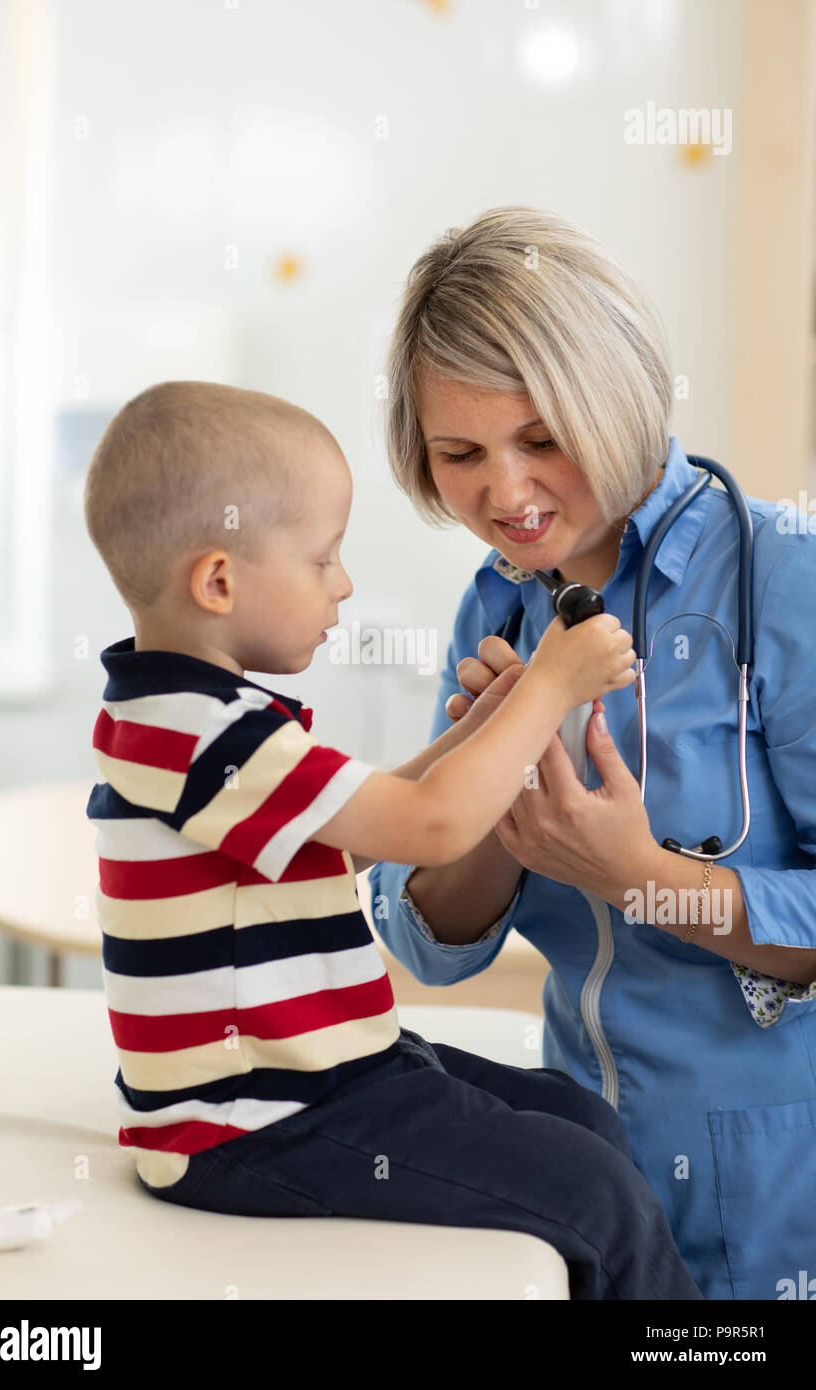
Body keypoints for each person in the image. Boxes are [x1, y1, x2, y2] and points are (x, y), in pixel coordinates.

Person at [82, 377, 703, 1301]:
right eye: (323, 559)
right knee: (602, 1197)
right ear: (218, 580)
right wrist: (549, 693)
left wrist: (494, 718)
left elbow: (362, 823)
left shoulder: (190, 716)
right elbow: (433, 828)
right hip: (257, 1124)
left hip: (323, 1076)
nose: (345, 584)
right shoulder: (208, 734)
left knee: (579, 1120)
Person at [369, 204, 816, 1301]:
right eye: (459, 455)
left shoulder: (784, 583)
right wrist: (502, 782)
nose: (505, 496)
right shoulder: (499, 601)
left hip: (776, 1192)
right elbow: (428, 941)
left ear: (613, 404)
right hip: (579, 1177)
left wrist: (634, 878)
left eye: (540, 440)